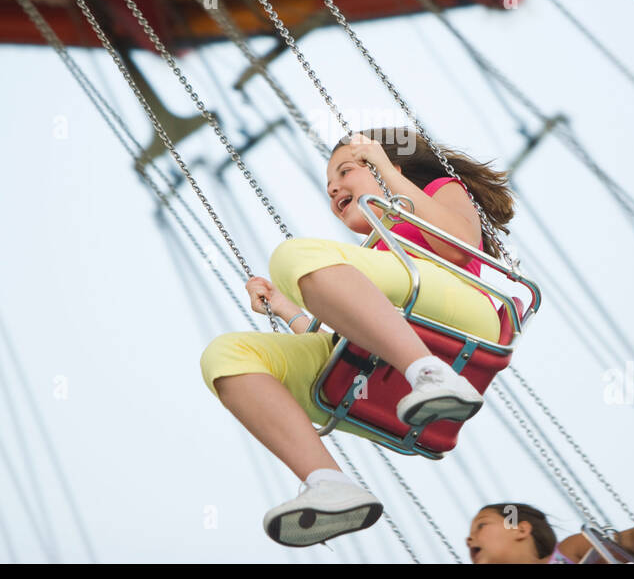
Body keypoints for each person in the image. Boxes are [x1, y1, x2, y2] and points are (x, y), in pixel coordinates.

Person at [200, 127, 515, 547]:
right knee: (227, 355)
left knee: (294, 255)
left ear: (387, 167)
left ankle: (430, 373)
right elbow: (349, 337)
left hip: (462, 313)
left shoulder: (439, 189)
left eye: (346, 171)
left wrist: (388, 172)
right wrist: (285, 308)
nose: (334, 189)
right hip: (393, 348)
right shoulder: (374, 259)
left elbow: (459, 245)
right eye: (329, 187)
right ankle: (328, 483)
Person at [466, 499, 634, 563]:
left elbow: (630, 544)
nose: (469, 539)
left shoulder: (568, 553)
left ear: (520, 530)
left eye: (481, 525)